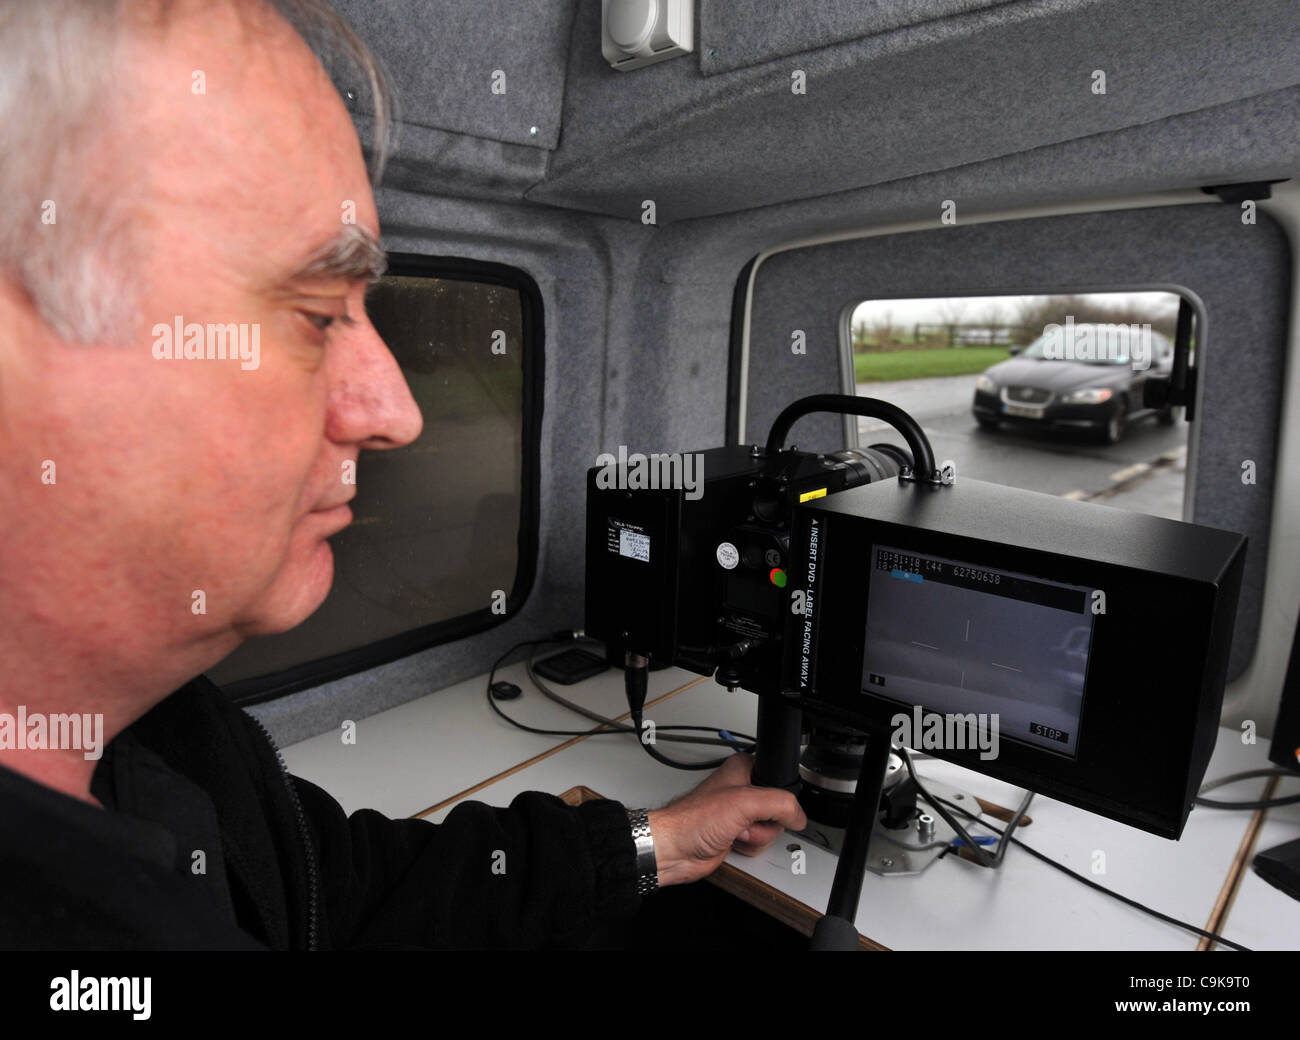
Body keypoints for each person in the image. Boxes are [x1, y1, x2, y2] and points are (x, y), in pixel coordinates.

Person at [0, 0, 806, 949]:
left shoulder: (162, 735)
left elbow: (335, 892)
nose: (398, 414)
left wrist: (651, 842)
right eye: (313, 312)